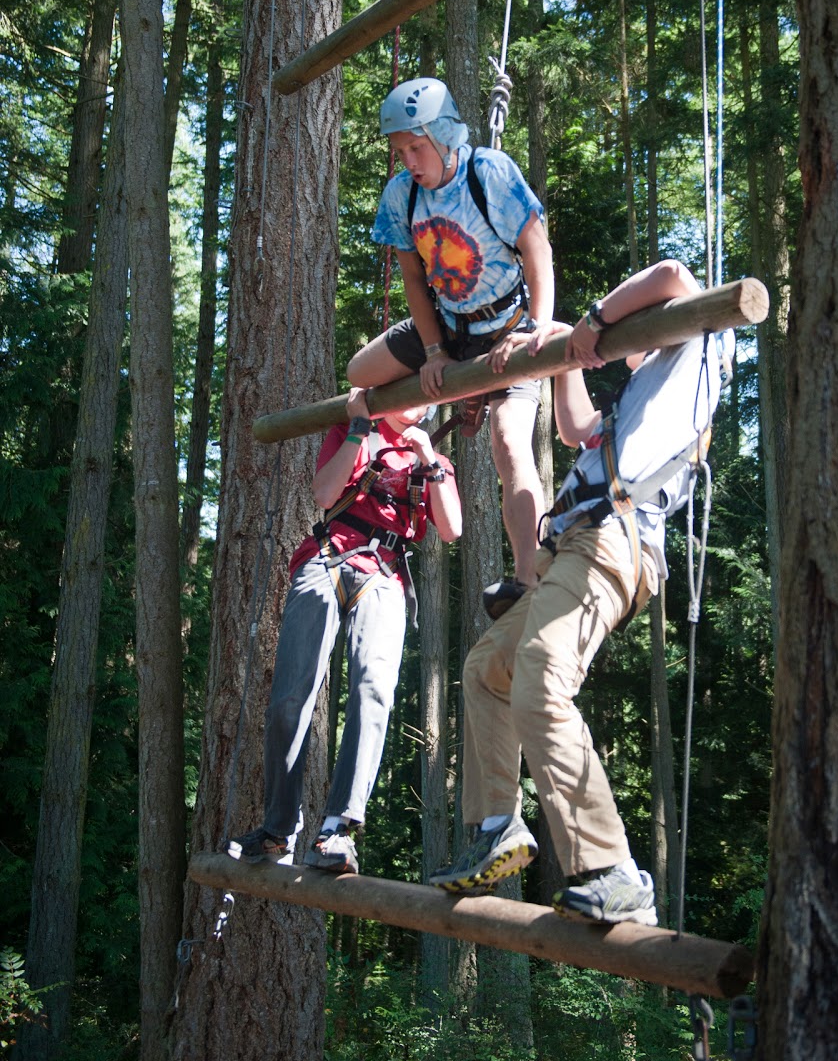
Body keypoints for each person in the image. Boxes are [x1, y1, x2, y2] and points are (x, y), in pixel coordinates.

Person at [427, 260, 721, 926]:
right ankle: (496, 823)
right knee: (487, 670)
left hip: (612, 542)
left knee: (539, 682)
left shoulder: (695, 349)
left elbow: (673, 274)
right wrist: (567, 353)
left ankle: (609, 867)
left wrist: (590, 322)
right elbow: (573, 428)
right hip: (573, 550)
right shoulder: (644, 390)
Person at [228, 385, 462, 873]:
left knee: (374, 690)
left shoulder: (432, 458)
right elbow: (324, 493)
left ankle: (336, 828)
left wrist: (427, 458)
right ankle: (278, 828)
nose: (414, 400)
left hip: (386, 573)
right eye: (405, 388)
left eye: (424, 395)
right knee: (291, 698)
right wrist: (358, 427)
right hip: (328, 557)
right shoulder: (353, 431)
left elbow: (451, 528)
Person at [346, 77, 553, 620]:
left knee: (510, 445)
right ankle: (399, 455)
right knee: (360, 374)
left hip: (508, 324)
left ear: (444, 135)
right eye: (400, 150)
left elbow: (539, 252)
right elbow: (414, 280)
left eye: (417, 147)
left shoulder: (490, 173)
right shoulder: (402, 195)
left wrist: (536, 329)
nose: (409, 159)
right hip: (446, 325)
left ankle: (533, 583)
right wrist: (435, 352)